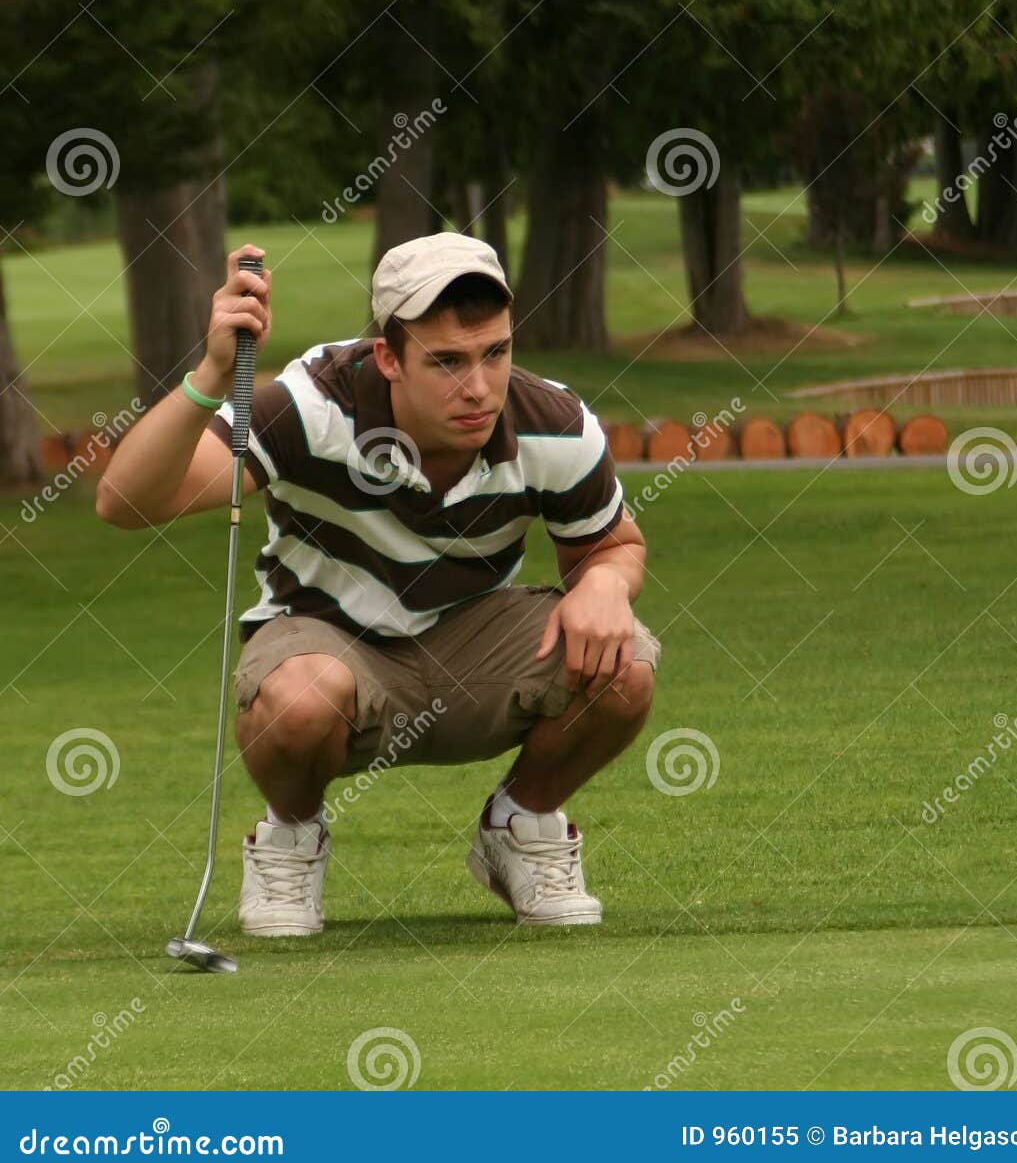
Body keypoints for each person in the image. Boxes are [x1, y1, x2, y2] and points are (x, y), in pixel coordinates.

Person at [97, 233, 660, 936]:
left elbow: (613, 546)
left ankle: (519, 824)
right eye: (447, 362)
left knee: (627, 662)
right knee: (298, 702)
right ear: (389, 358)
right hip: (325, 642)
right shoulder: (315, 404)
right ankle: (291, 837)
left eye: (495, 353)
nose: (479, 387)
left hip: (470, 648)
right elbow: (126, 503)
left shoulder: (555, 425)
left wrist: (606, 583)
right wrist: (214, 370)